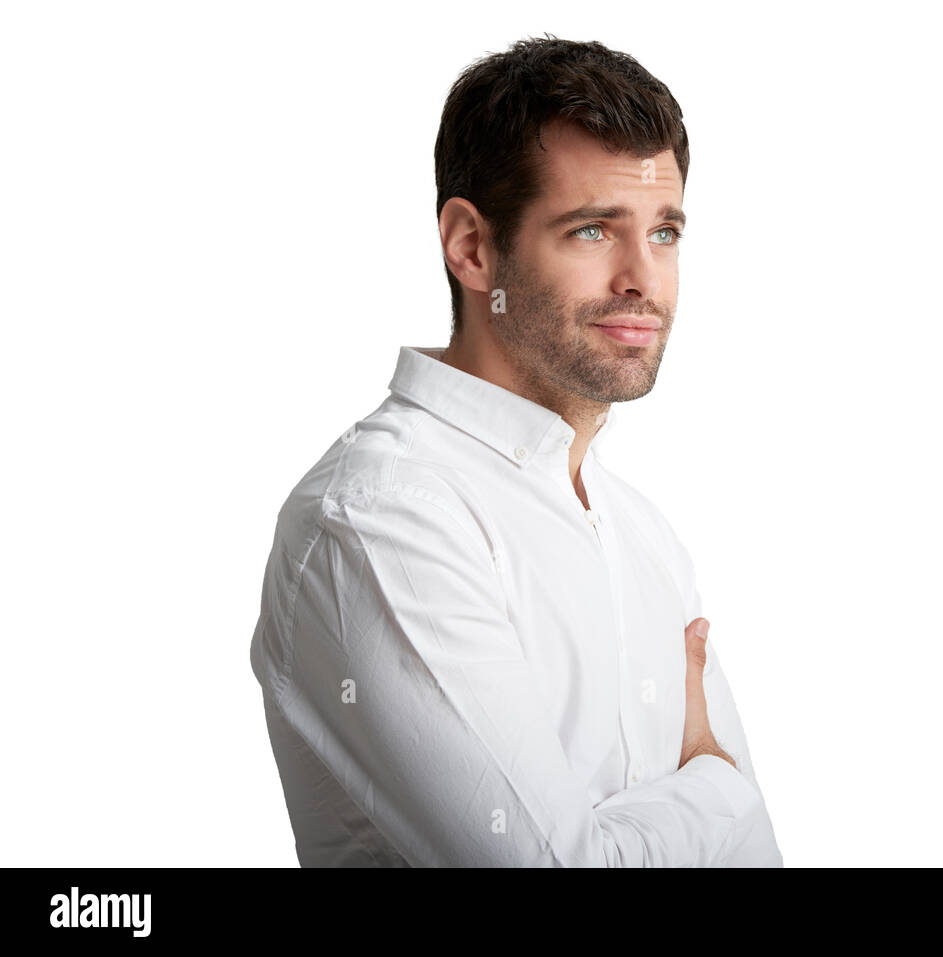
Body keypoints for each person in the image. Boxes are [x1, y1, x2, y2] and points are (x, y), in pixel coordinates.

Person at [248, 35, 782, 866]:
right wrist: (717, 781)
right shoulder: (382, 516)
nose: (643, 276)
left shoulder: (641, 532)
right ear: (471, 247)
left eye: (666, 231)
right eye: (593, 230)